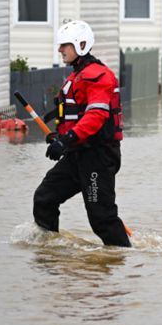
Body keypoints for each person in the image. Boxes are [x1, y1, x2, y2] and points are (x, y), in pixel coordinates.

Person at [32, 20, 131, 247]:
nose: (60, 50)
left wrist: (66, 141)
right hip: (77, 155)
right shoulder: (76, 76)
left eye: (65, 45)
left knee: (101, 218)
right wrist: (60, 137)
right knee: (44, 198)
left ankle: (123, 258)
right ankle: (51, 251)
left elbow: (95, 116)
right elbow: (76, 117)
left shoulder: (98, 76)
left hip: (98, 157)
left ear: (81, 44)